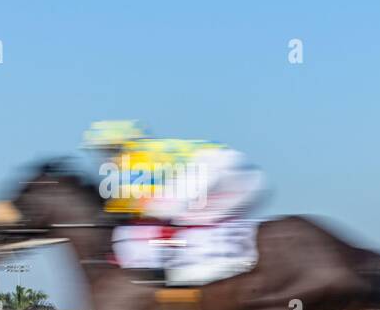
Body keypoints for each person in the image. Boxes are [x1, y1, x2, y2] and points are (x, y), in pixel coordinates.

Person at [81, 120, 266, 284]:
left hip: (216, 167)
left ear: (118, 146)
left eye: (106, 151)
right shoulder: (148, 153)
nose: (105, 158)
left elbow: (135, 207)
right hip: (237, 169)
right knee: (190, 216)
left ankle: (191, 267)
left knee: (163, 210)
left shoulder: (136, 155)